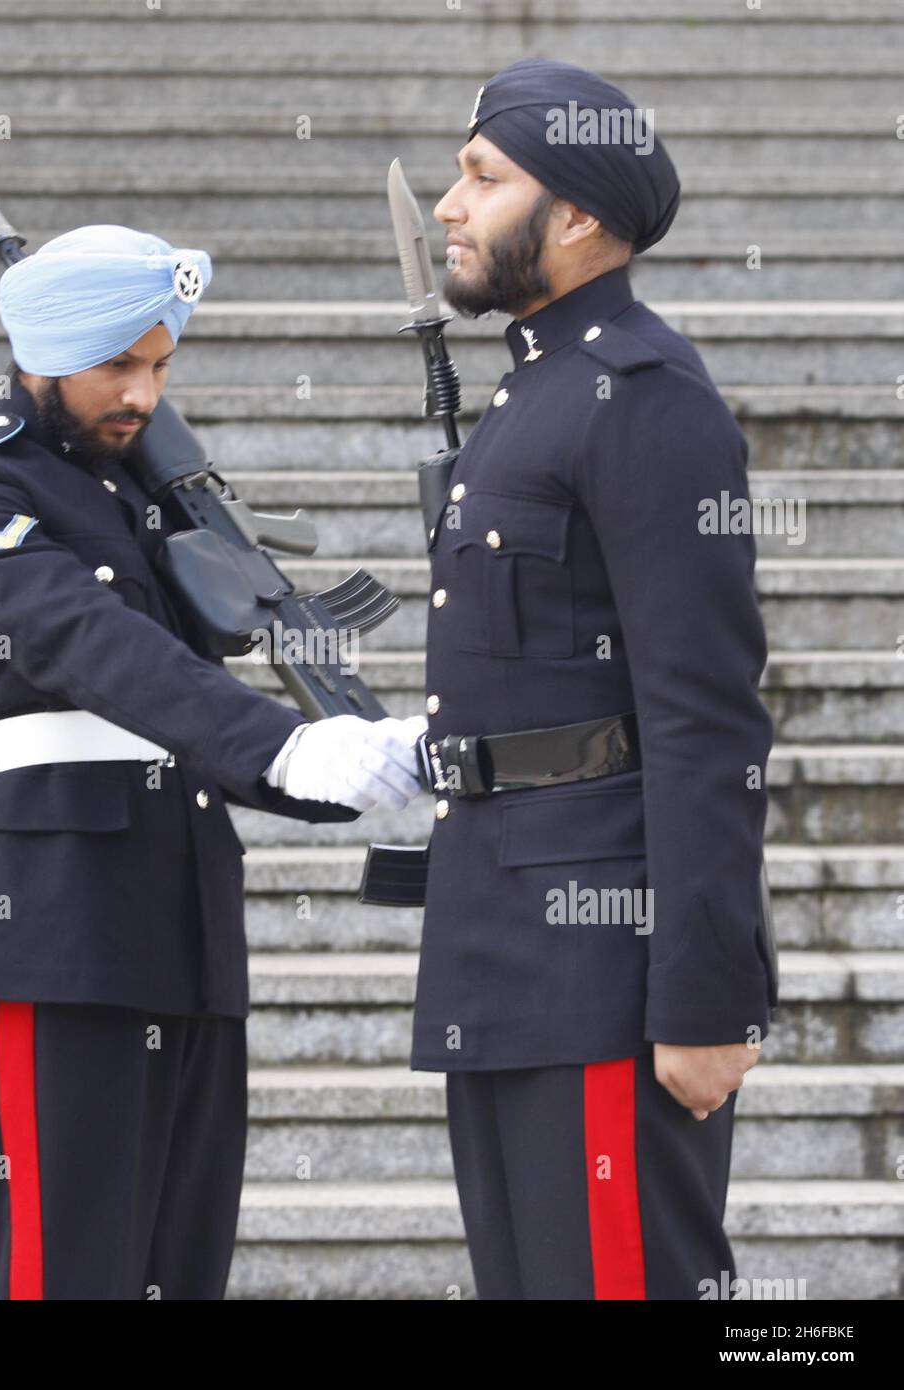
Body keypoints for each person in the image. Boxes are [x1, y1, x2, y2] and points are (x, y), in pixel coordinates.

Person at [0, 224, 424, 1299]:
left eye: (160, 365)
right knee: (72, 1272)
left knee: (179, 1274)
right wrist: (286, 746)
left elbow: (190, 700)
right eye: (117, 365)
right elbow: (98, 647)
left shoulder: (145, 500)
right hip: (58, 928)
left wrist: (356, 752)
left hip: (186, 927)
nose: (141, 392)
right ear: (38, 357)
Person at [409, 59, 778, 1299]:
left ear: (576, 215)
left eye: (482, 178)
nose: (449, 208)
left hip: (604, 964)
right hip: (497, 941)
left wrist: (707, 994)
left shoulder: (644, 397)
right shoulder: (535, 392)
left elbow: (704, 713)